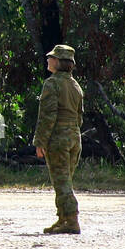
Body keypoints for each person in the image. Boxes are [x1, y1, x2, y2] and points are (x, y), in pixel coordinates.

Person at [34, 44, 82, 234]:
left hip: (58, 138)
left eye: (51, 57)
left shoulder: (52, 84)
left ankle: (71, 220)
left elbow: (47, 116)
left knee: (61, 183)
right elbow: (79, 116)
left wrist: (40, 141)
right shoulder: (75, 85)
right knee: (65, 180)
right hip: (74, 137)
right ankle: (63, 219)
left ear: (59, 62)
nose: (48, 59)